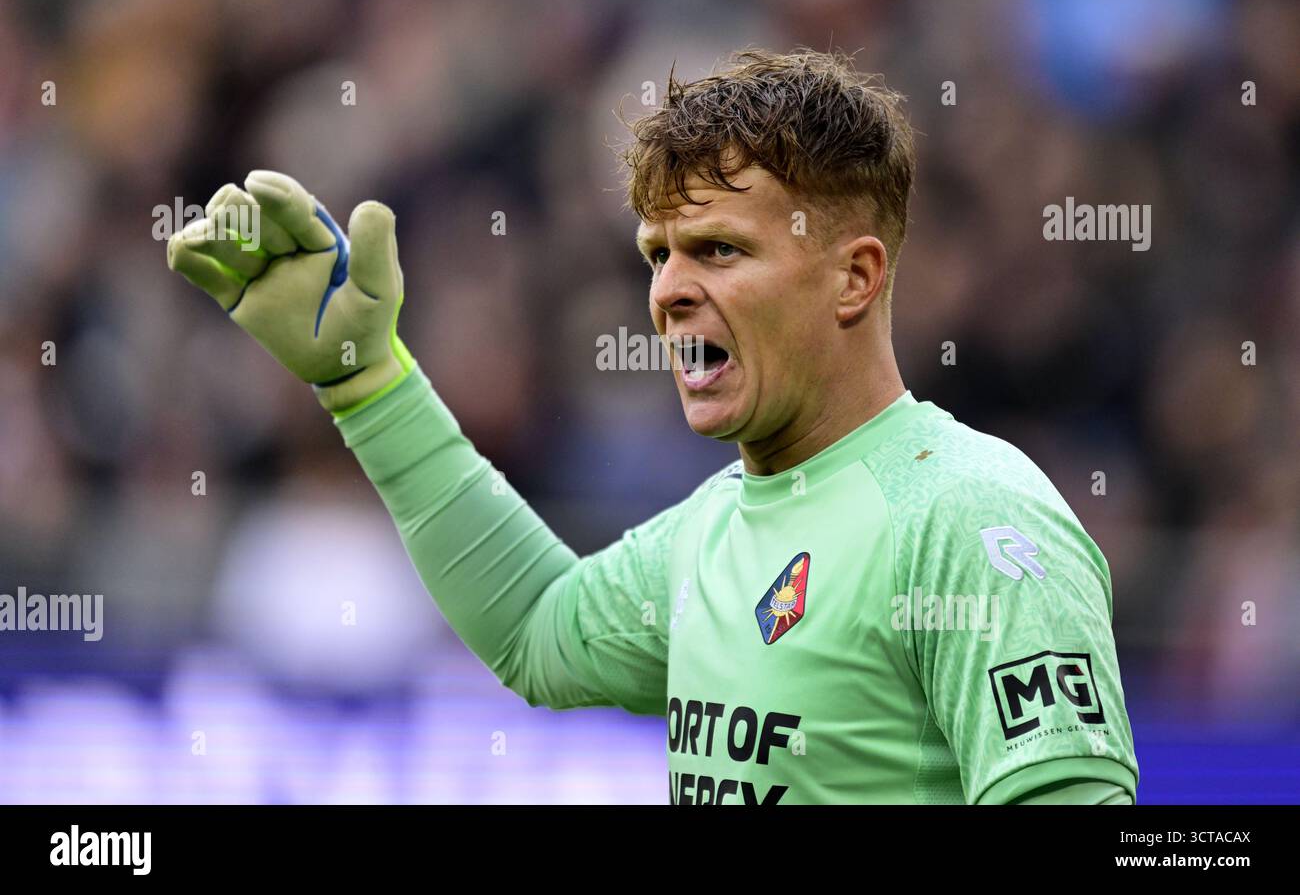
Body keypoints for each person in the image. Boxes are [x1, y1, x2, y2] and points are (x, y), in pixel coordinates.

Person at [166, 48, 1138, 804]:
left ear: (854, 276)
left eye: (717, 249)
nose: (669, 291)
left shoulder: (968, 519)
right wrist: (370, 383)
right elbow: (538, 632)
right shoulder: (716, 526)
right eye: (658, 253)